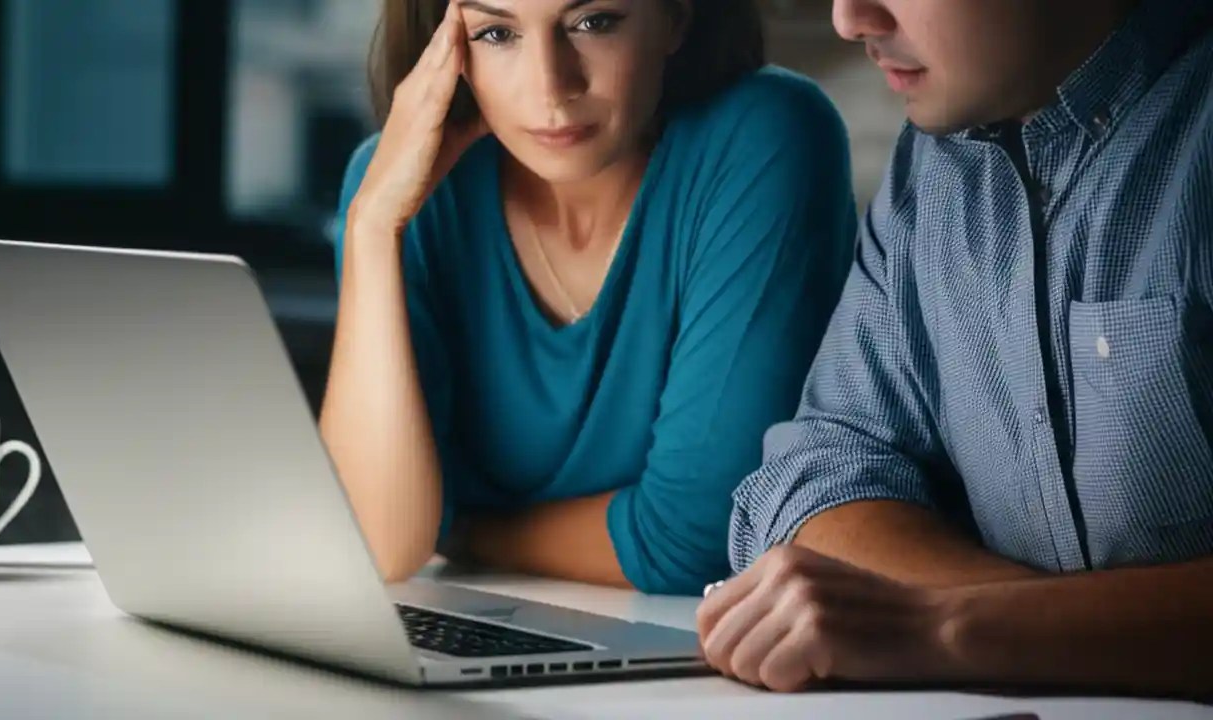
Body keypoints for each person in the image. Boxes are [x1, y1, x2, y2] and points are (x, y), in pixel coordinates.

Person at [699, 0, 1213, 697]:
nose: (850, 19)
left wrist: (949, 628)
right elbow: (824, 471)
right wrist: (1035, 631)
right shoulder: (935, 168)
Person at [319, 0, 856, 595]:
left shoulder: (764, 134)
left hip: (690, 658)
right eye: (497, 33)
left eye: (593, 22)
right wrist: (372, 228)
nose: (551, 86)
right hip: (485, 622)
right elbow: (376, 543)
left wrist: (463, 531)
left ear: (675, 18)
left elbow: (698, 537)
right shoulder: (398, 189)